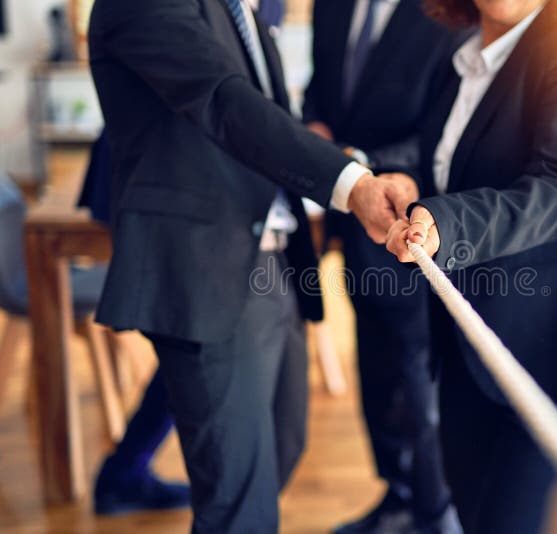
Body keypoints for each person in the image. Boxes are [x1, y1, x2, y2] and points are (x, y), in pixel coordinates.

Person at [87, 0, 417, 531]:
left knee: (283, 448)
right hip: (205, 271)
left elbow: (266, 117)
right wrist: (352, 183)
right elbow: (224, 101)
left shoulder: (240, 9)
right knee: (238, 503)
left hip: (277, 263)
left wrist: (326, 148)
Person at [386, 0, 557, 531]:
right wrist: (389, 178)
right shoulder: (457, 63)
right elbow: (437, 160)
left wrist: (447, 223)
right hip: (472, 355)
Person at [302, 2, 460, 532]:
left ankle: (434, 511)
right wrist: (313, 127)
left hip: (411, 220)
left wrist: (355, 162)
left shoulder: (449, 11)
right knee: (373, 364)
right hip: (352, 224)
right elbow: (320, 88)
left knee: (416, 378)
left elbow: (445, 129)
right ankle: (395, 495)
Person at [79, 131, 190, 515]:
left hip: (148, 177)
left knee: (185, 353)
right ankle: (124, 473)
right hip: (151, 181)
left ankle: (126, 471)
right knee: (187, 351)